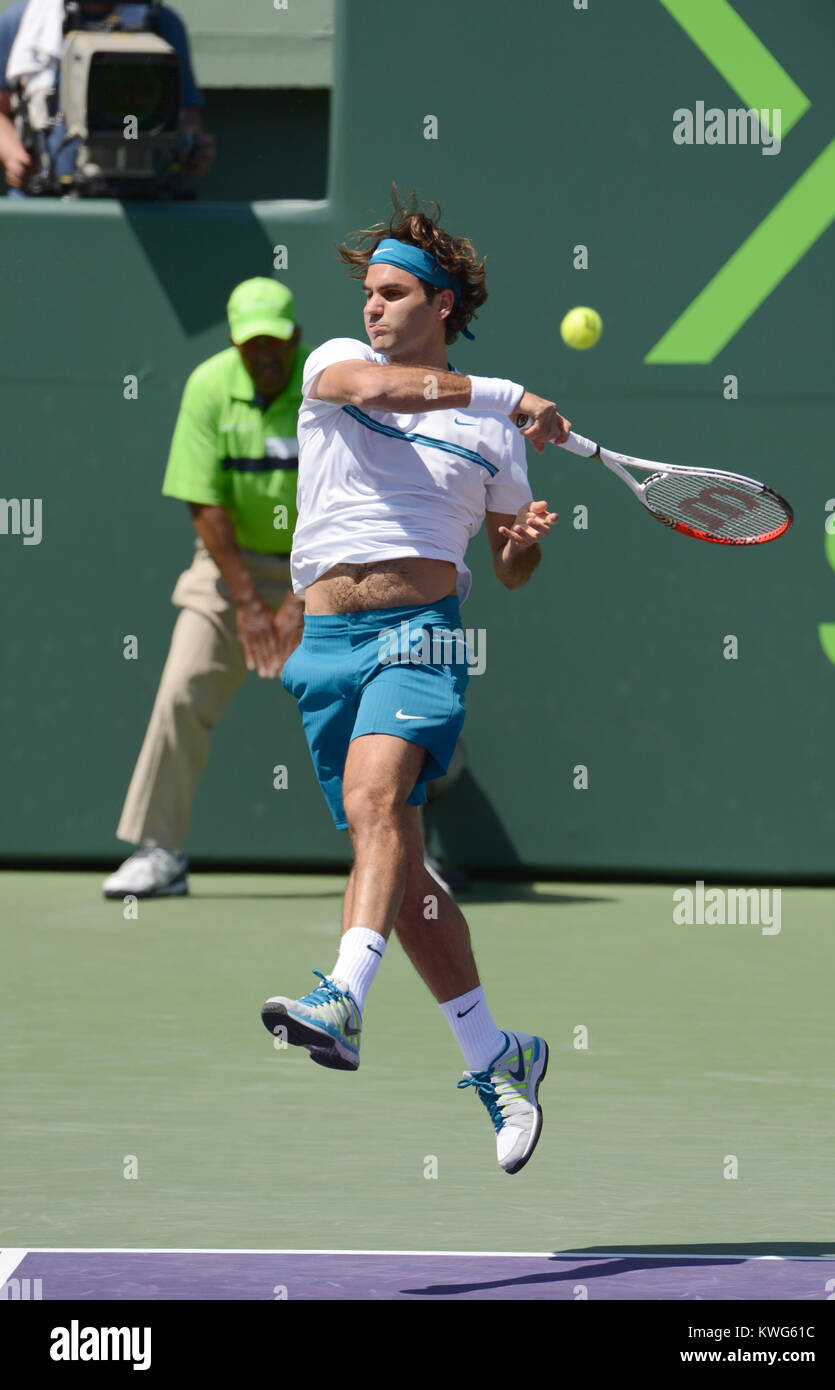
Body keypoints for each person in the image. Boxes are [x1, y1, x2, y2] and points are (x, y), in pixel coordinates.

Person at [260, 194, 567, 1174]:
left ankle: (341, 1000)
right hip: (324, 646)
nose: (374, 309)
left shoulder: (494, 441)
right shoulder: (332, 369)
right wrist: (507, 389)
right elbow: (388, 392)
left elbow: (510, 572)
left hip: (422, 638)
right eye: (368, 294)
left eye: (393, 295)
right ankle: (495, 1054)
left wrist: (518, 546)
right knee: (399, 876)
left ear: (439, 303)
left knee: (375, 800)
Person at [102, 278, 307, 899]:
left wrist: (302, 595)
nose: (266, 354)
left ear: (297, 338)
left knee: (374, 706)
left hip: (323, 564)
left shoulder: (329, 386)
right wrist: (248, 603)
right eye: (253, 344)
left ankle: (410, 854)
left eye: (277, 342)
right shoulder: (208, 385)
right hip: (230, 566)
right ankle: (160, 852)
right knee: (182, 691)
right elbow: (204, 499)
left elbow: (349, 499)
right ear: (234, 344)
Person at [0, 0, 214, 195]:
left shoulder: (160, 22)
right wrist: (13, 154)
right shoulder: (25, 19)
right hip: (45, 199)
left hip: (143, 201)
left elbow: (187, 115)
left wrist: (192, 147)